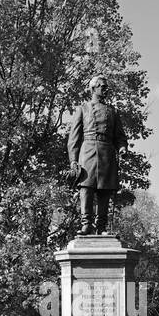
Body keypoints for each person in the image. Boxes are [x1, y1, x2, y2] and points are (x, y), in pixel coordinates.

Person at [67, 75, 128, 235]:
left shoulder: (112, 112)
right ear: (93, 88)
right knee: (86, 188)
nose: (106, 89)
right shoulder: (82, 109)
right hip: (87, 152)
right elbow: (74, 138)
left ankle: (101, 226)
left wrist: (122, 147)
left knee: (104, 190)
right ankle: (86, 224)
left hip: (107, 152)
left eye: (106, 86)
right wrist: (73, 160)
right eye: (103, 86)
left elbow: (120, 136)